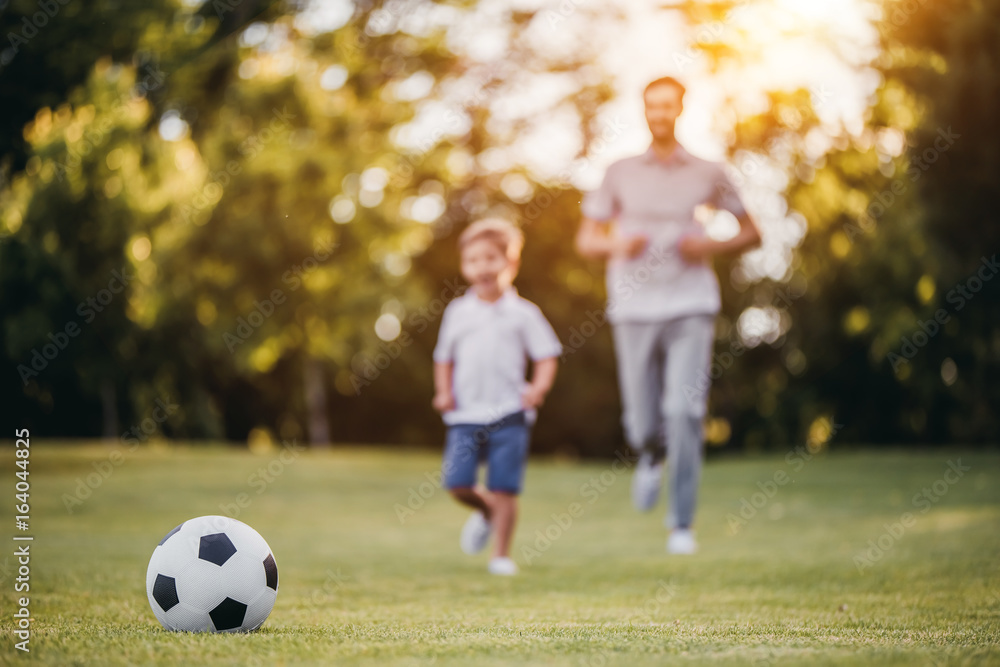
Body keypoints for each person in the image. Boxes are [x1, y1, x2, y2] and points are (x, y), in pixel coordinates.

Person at [575, 76, 761, 554]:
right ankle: (649, 455)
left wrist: (710, 244)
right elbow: (586, 240)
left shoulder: (708, 171)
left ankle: (681, 524)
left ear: (680, 110)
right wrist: (618, 242)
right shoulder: (618, 171)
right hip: (633, 305)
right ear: (643, 110)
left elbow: (751, 231)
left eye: (667, 106)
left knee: (684, 411)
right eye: (651, 106)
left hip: (690, 303)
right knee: (641, 420)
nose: (659, 114)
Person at [432, 218, 561, 575]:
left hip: (510, 413)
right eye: (472, 260)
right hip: (465, 414)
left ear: (511, 263)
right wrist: (443, 392)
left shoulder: (523, 314)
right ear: (464, 266)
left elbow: (547, 355)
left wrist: (538, 388)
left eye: (490, 258)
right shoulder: (458, 312)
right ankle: (485, 510)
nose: (481, 267)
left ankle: (501, 555)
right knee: (457, 483)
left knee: (505, 487)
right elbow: (444, 358)